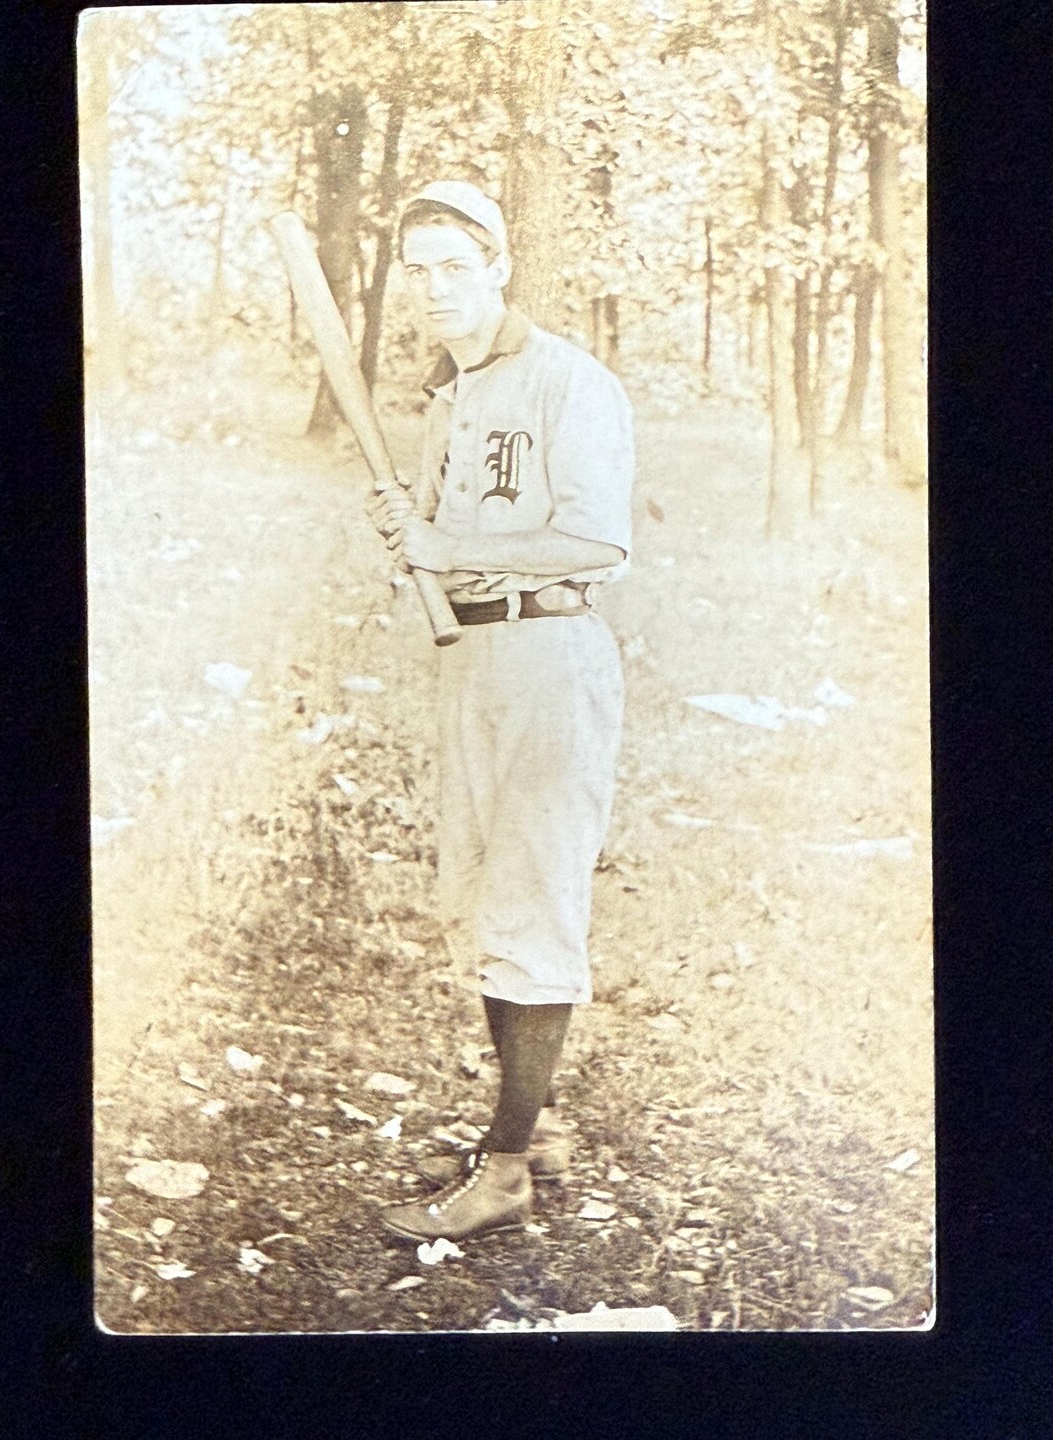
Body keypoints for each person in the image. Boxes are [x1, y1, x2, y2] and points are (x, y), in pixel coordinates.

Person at [374, 181, 634, 1243]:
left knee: (531, 903)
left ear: (499, 269)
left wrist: (449, 544)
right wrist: (413, 536)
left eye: (456, 266)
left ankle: (509, 1167)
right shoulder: (449, 393)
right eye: (418, 269)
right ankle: (539, 1124)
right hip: (474, 657)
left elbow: (598, 541)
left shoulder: (570, 381)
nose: (435, 287)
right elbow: (450, 542)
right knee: (483, 901)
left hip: (549, 655)